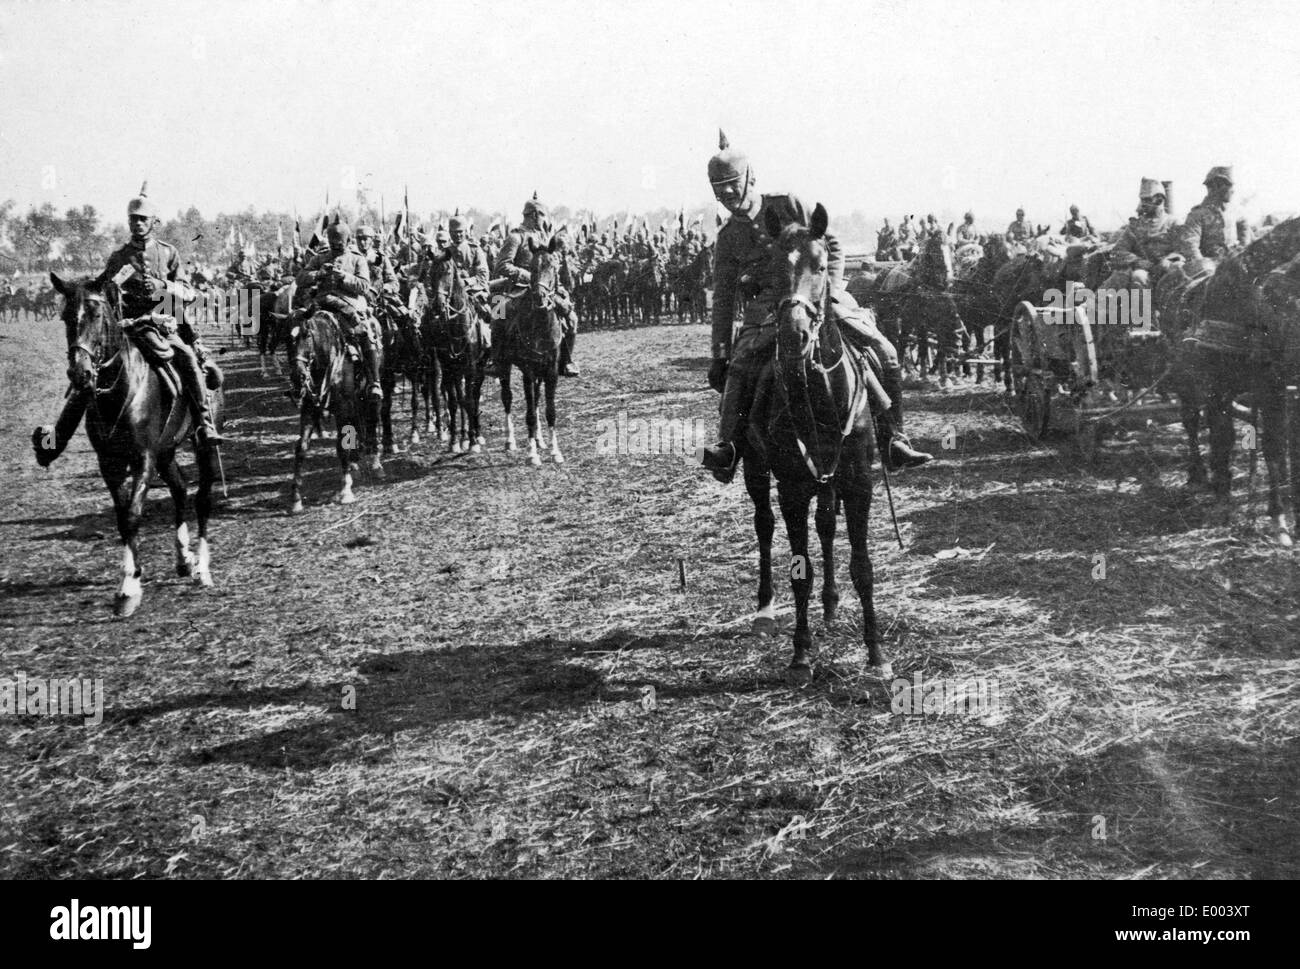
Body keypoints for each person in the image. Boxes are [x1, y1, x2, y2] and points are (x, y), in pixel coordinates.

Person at [695, 131, 930, 483]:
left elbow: (831, 243)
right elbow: (724, 299)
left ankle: (895, 439)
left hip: (819, 293)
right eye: (719, 188)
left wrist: (829, 288)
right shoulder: (728, 237)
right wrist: (720, 353)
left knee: (885, 349)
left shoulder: (787, 204)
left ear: (750, 178)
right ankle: (727, 447)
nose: (726, 194)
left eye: (731, 184)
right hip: (767, 311)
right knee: (740, 368)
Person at [32, 186, 222, 467]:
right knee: (87, 382)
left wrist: (163, 285)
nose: (138, 223)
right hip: (128, 329)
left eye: (143, 219)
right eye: (133, 219)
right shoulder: (119, 258)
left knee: (189, 360)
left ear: (153, 221)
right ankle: (54, 441)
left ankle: (205, 425)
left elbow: (188, 292)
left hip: (163, 326)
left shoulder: (169, 254)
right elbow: (103, 289)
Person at [492, 192, 579, 377]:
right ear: (534, 215)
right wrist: (527, 275)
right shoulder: (516, 237)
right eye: (542, 216)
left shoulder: (545, 237)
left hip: (545, 289)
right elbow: (502, 265)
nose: (544, 220)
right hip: (517, 289)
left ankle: (566, 361)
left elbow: (552, 266)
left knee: (572, 319)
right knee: (497, 314)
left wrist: (558, 286)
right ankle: (496, 361)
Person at [294, 219, 381, 396]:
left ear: (348, 242)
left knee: (364, 332)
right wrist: (318, 273)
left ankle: (374, 381)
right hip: (321, 302)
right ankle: (298, 377)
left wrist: (344, 277)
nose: (335, 248)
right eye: (332, 245)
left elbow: (364, 286)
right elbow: (300, 278)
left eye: (339, 245)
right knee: (298, 327)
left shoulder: (357, 259)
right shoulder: (320, 258)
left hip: (349, 304)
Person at [1101, 178, 1176, 290]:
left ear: (1159, 200)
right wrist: (1138, 261)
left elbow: (1184, 249)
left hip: (1168, 271)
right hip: (1144, 272)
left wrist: (1168, 260)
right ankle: (1141, 308)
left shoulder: (1173, 223)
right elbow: (1118, 251)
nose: (1143, 204)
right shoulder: (1135, 225)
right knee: (1138, 276)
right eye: (1142, 200)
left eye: (1147, 200)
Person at [1178, 166, 1235, 276]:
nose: (1233, 190)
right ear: (1216, 186)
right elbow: (1190, 247)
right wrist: (1205, 270)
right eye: (1229, 186)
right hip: (1210, 268)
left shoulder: (1233, 213)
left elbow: (1245, 236)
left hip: (1232, 266)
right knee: (1139, 280)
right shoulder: (1198, 214)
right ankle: (1137, 294)